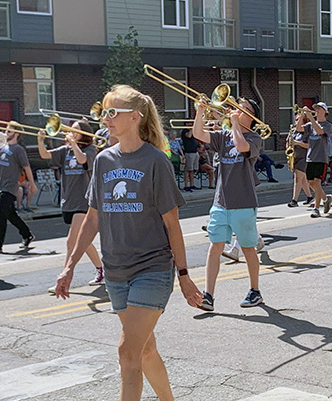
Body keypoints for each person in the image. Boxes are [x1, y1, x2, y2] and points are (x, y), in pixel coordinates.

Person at [53, 84, 203, 401]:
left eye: (112, 112)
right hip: (116, 274)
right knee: (144, 350)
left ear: (134, 117)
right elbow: (93, 218)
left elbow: (171, 224)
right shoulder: (104, 161)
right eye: (104, 112)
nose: (105, 119)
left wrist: (184, 276)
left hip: (152, 269)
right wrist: (69, 267)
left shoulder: (156, 161)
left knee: (126, 352)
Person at [193, 97, 267, 310]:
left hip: (243, 203)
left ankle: (255, 290)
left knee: (247, 249)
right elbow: (199, 134)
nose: (235, 110)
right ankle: (209, 295)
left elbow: (241, 145)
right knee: (214, 247)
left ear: (251, 117)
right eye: (235, 108)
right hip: (221, 202)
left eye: (242, 109)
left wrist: (235, 123)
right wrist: (200, 111)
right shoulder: (222, 136)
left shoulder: (254, 137)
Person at [39, 121, 105, 292]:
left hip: (84, 201)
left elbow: (82, 160)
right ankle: (101, 269)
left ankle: (63, 279)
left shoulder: (91, 150)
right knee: (81, 241)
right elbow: (45, 155)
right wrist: (40, 141)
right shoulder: (65, 151)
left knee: (70, 242)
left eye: (76, 130)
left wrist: (74, 144)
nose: (71, 132)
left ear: (84, 133)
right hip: (68, 200)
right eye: (70, 130)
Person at [0, 125, 35, 253]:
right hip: (1, 185)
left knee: (1, 216)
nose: (6, 132)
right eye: (6, 130)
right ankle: (27, 235)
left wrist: (32, 185)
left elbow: (27, 167)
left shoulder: (18, 150)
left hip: (11, 187)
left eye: (9, 131)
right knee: (11, 215)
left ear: (16, 134)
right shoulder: (2, 146)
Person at [298, 102, 332, 218]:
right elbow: (298, 129)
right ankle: (325, 198)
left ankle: (316, 208)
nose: (316, 110)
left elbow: (320, 131)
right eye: (315, 109)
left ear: (325, 111)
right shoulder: (309, 125)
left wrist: (310, 117)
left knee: (317, 183)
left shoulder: (328, 125)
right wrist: (302, 116)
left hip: (321, 158)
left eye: (319, 108)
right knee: (310, 183)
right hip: (310, 157)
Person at [286, 120, 314, 207]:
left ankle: (294, 200)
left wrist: (297, 143)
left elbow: (309, 145)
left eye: (299, 120)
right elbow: (288, 142)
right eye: (296, 120)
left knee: (297, 178)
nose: (296, 121)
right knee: (303, 179)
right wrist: (288, 148)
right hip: (295, 157)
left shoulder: (307, 132)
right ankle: (310, 197)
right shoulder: (293, 131)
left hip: (304, 157)